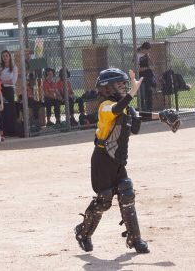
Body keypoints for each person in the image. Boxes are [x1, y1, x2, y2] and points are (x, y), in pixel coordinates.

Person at [75, 68, 164, 254]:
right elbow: (117, 109)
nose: (123, 85)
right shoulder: (105, 106)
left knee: (127, 192)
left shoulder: (124, 105)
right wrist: (133, 91)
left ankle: (135, 238)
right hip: (102, 159)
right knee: (104, 199)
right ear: (107, 88)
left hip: (117, 159)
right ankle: (83, 232)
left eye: (124, 83)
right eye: (119, 83)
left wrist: (162, 116)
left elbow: (139, 115)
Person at [0, 50, 18, 136]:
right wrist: (4, 82)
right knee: (4, 110)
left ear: (9, 56)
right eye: (3, 56)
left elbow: (13, 82)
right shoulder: (0, 68)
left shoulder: (14, 67)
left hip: (9, 91)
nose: (5, 58)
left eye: (6, 56)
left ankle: (12, 131)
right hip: (1, 91)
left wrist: (2, 81)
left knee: (11, 110)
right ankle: (5, 131)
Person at [137, 42, 156, 112]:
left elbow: (152, 64)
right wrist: (148, 68)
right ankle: (142, 109)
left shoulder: (146, 54)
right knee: (142, 93)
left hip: (148, 76)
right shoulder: (137, 55)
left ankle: (149, 109)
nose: (148, 52)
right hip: (141, 76)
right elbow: (138, 69)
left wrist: (148, 56)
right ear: (144, 49)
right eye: (147, 50)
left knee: (149, 91)